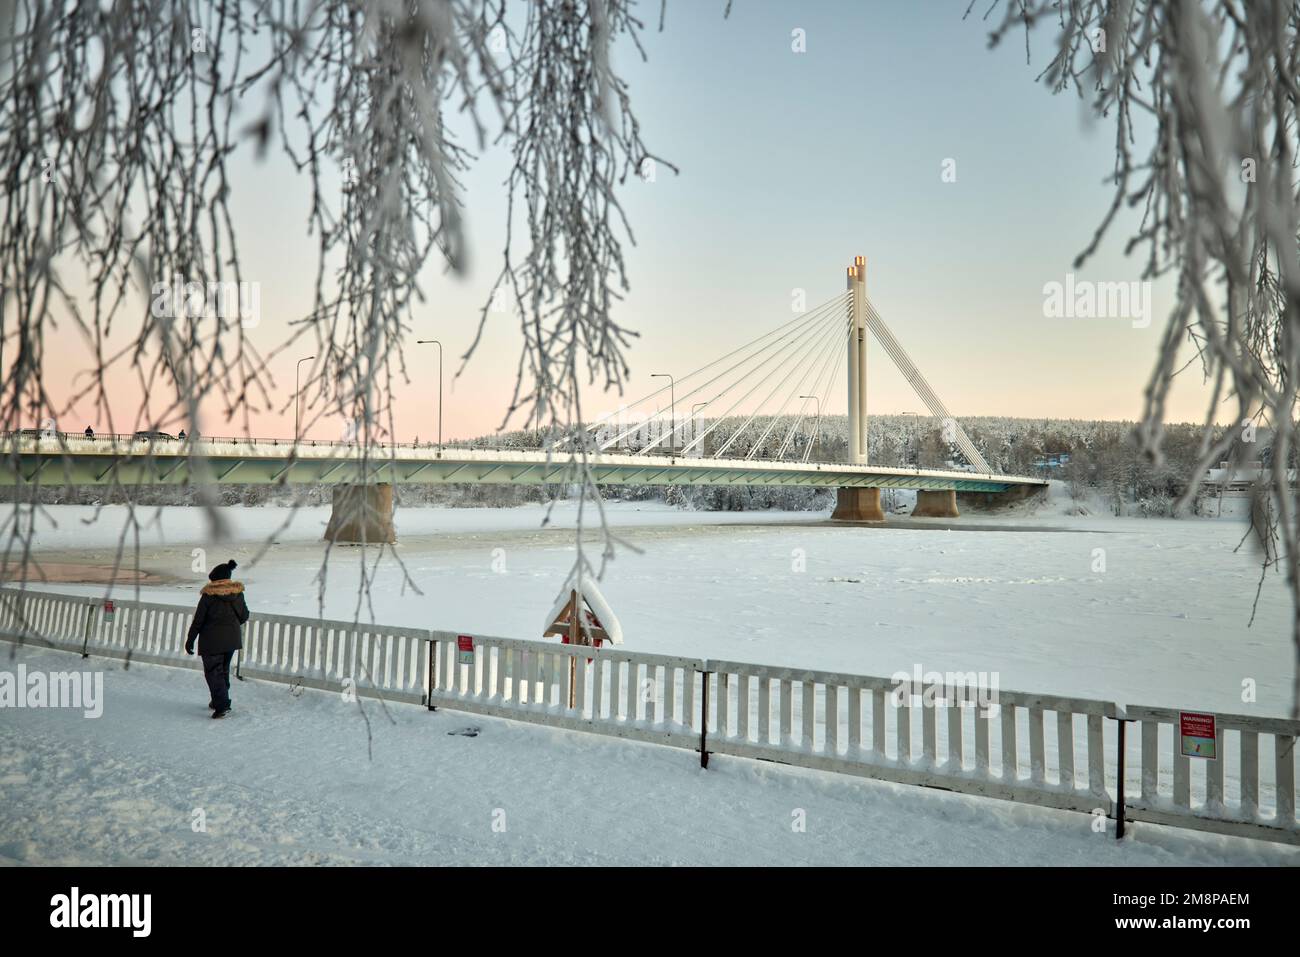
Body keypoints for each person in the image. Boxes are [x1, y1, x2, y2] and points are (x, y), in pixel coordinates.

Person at [185, 560, 249, 719]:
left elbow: (198, 621)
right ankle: (219, 700)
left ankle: (222, 706)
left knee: (214, 673)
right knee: (223, 671)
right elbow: (244, 616)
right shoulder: (237, 594)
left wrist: (190, 639)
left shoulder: (208, 596)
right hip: (232, 640)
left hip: (212, 642)